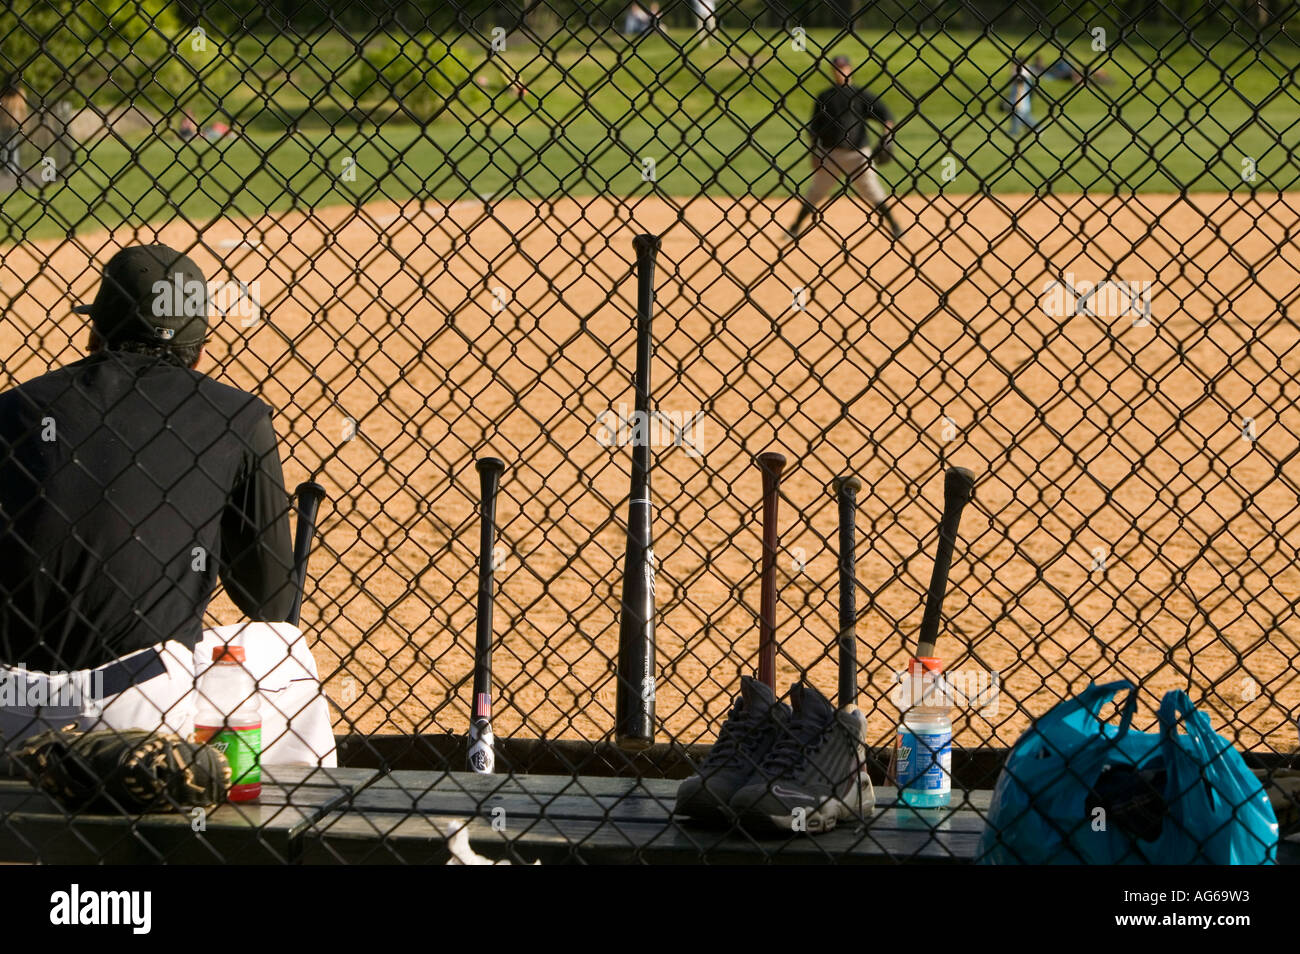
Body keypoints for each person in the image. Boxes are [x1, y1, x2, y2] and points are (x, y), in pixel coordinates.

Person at [0, 245, 335, 768]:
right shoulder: (237, 416)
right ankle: (288, 826)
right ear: (198, 343)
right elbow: (268, 603)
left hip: (9, 704)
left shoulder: (14, 407)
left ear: (96, 331)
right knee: (281, 650)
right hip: (138, 711)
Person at [785, 54, 901, 243]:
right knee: (815, 192)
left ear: (850, 68)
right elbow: (813, 129)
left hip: (859, 155)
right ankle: (795, 227)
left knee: (873, 191)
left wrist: (887, 137)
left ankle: (895, 226)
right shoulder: (825, 96)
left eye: (843, 68)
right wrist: (814, 153)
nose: (840, 72)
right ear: (832, 71)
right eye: (836, 69)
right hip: (830, 154)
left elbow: (886, 115)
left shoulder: (861, 94)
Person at [0, 77, 27, 181]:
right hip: (13, 121)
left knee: (7, 144)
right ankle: (11, 167)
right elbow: (23, 109)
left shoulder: (4, 92)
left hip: (8, 121)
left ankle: (9, 167)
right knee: (12, 144)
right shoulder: (18, 93)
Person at [1007, 58, 1038, 138]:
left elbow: (1020, 81)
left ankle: (1035, 128)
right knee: (1021, 115)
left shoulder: (1023, 71)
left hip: (1021, 99)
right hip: (1019, 99)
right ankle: (1015, 130)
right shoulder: (1020, 70)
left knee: (1022, 116)